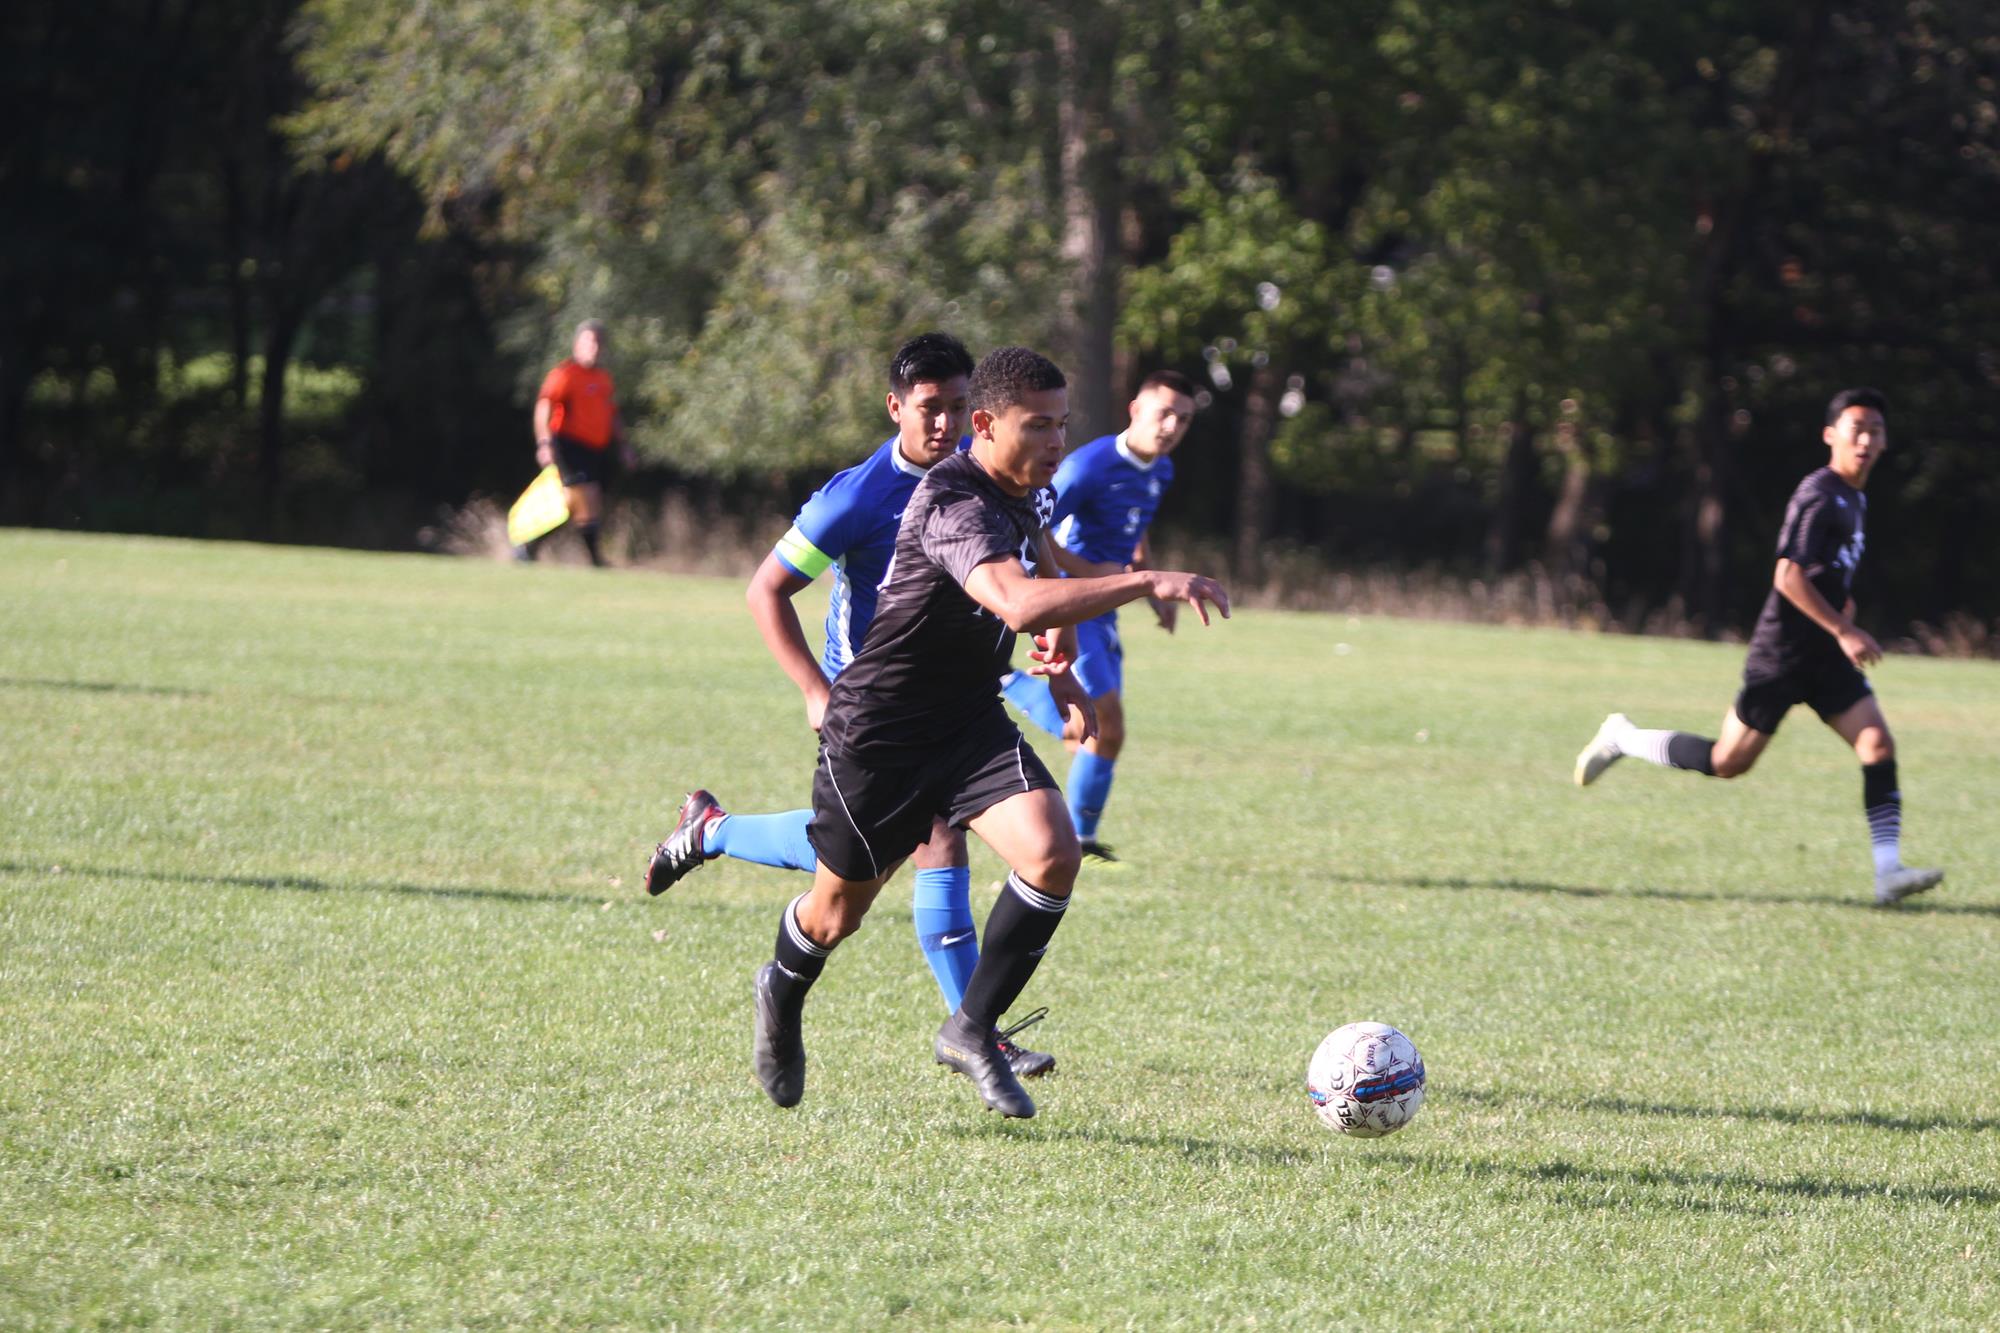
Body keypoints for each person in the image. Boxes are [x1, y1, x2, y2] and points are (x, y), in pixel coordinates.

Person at [748, 346, 1228, 1118]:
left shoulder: (1028, 489)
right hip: (881, 734)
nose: (1056, 443)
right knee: (837, 913)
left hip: (969, 718)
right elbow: (1015, 599)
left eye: (1063, 425)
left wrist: (1062, 669)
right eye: (1038, 426)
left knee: (1053, 852)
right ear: (985, 425)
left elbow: (1044, 573)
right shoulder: (948, 501)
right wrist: (1147, 581)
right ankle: (780, 984)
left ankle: (970, 1027)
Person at [642, 332, 1058, 1077]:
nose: (946, 424)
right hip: (874, 712)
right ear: (895, 407)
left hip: (950, 706)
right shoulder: (857, 497)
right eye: (930, 409)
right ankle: (975, 1031)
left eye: (960, 408)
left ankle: (974, 1030)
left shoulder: (987, 479)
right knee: (897, 856)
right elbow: (765, 589)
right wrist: (815, 688)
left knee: (900, 852)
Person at [1572, 387, 1944, 907]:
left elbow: (1824, 573)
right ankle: (1624, 737)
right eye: (1856, 428)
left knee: (1877, 744)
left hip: (1825, 660)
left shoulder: (1855, 498)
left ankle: (1888, 872)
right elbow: (1788, 575)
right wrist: (1843, 629)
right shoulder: (1821, 493)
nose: (1866, 439)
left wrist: (1844, 613)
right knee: (1728, 762)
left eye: (1875, 430)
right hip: (1785, 655)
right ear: (1830, 435)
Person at [1000, 370, 1199, 867]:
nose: (1172, 425)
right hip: (1070, 604)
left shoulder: (1163, 469)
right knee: (1098, 721)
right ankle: (1006, 681)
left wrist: (1149, 586)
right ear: (1135, 410)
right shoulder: (1087, 467)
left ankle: (1083, 838)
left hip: (1104, 609)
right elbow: (1033, 525)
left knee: (1107, 732)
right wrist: (1087, 571)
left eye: (1184, 418)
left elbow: (1136, 526)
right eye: (1164, 413)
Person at [519, 320, 634, 566]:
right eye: (589, 341)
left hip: (595, 450)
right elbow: (544, 407)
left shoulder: (603, 378)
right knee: (588, 497)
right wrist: (544, 443)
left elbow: (612, 413)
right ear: (577, 344)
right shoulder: (565, 374)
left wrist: (623, 445)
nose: (594, 348)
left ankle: (528, 548)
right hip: (569, 446)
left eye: (598, 343)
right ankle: (595, 560)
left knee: (573, 504)